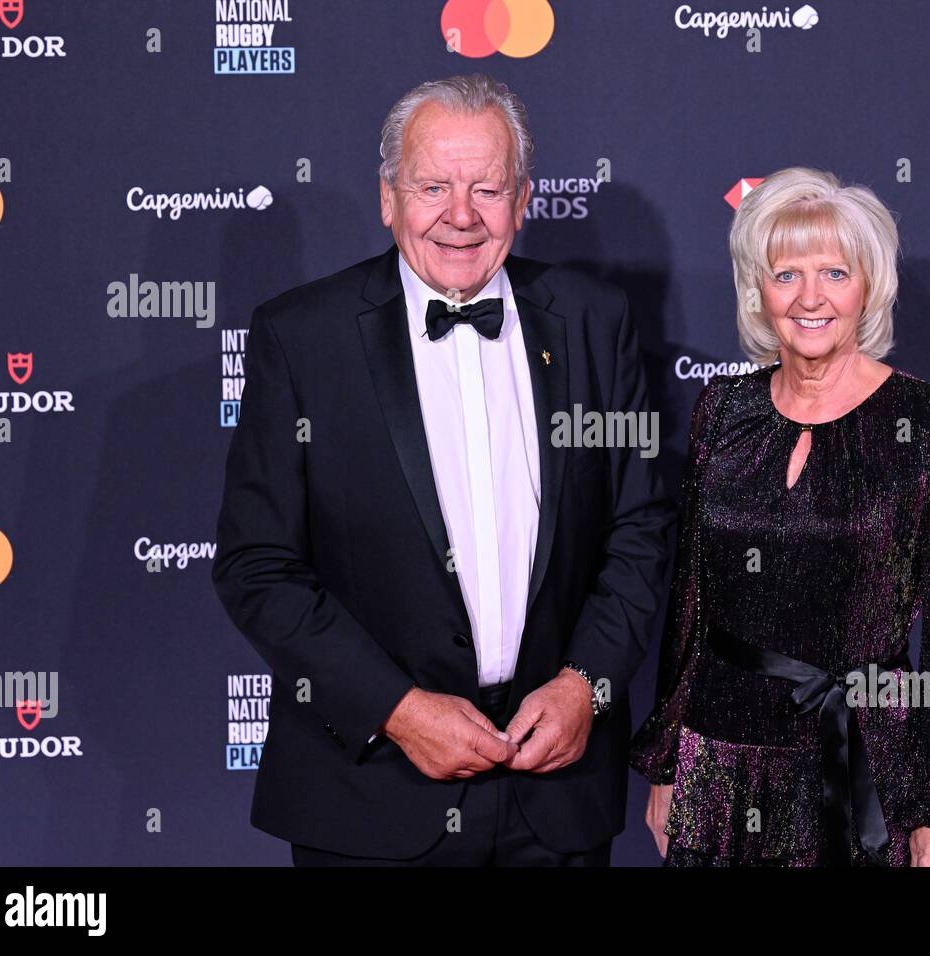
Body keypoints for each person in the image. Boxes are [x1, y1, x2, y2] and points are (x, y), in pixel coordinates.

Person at [212, 73, 672, 866]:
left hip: (554, 791)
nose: (461, 215)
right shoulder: (302, 338)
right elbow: (258, 566)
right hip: (371, 792)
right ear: (388, 197)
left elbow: (640, 527)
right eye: (433, 186)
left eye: (487, 188)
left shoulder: (597, 322)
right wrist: (394, 709)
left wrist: (583, 686)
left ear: (523, 201)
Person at [629, 166, 930, 867]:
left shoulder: (929, 422)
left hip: (863, 767)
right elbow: (692, 604)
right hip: (720, 763)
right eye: (786, 273)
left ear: (869, 286)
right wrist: (668, 758)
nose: (810, 298)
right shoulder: (723, 411)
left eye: (834, 272)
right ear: (757, 290)